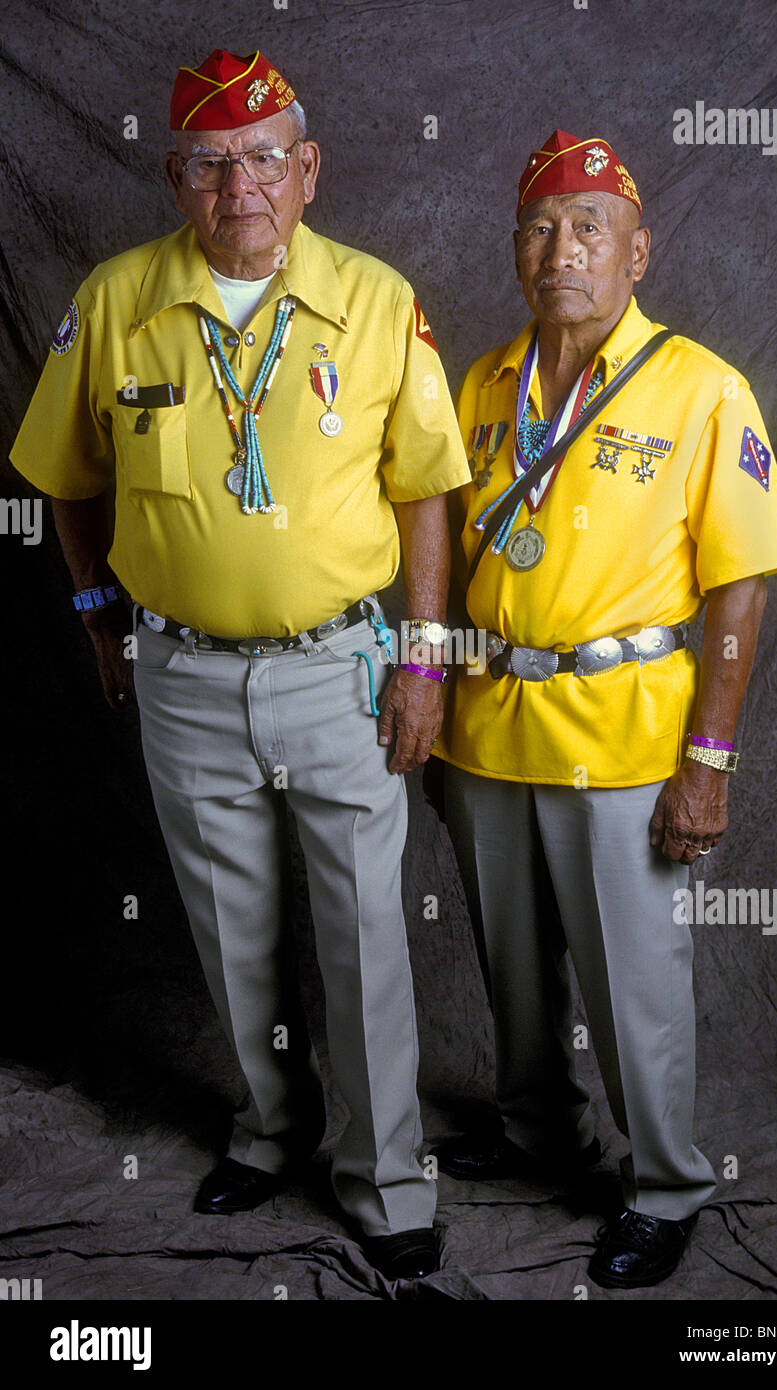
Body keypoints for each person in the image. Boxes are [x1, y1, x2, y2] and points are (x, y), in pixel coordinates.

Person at [10, 48, 471, 1281]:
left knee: (366, 928)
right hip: (183, 677)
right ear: (175, 177)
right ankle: (270, 1130)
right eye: (212, 163)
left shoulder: (377, 301)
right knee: (230, 926)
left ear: (307, 169)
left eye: (266, 156)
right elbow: (63, 475)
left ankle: (386, 1179)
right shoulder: (114, 301)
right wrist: (98, 609)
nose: (241, 184)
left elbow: (427, 488)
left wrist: (425, 654)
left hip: (341, 672)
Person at [431, 130, 777, 1289]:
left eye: (591, 228)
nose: (563, 250)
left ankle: (665, 1184)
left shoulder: (702, 388)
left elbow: (741, 581)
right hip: (490, 724)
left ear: (639, 251)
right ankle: (540, 1127)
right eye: (541, 227)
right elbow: (435, 536)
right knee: (516, 965)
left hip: (626, 731)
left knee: (633, 980)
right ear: (516, 251)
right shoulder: (484, 383)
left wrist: (712, 758)